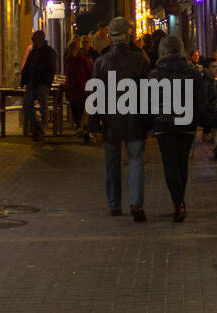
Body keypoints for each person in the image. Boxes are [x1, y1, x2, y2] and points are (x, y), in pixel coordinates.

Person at [94, 16, 151, 220]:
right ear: (128, 36)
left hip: (111, 121)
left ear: (110, 38)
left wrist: (94, 123)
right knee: (136, 160)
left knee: (112, 162)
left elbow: (96, 96)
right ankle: (136, 203)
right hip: (135, 119)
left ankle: (114, 204)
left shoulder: (101, 62)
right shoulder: (139, 60)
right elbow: (147, 92)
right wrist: (148, 119)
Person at [149, 36, 206, 222]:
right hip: (186, 123)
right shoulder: (193, 73)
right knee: (182, 162)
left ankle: (178, 202)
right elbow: (201, 101)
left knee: (170, 164)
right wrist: (201, 121)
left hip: (163, 124)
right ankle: (180, 201)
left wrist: (150, 123)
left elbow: (149, 101)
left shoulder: (155, 74)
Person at [19, 29, 56, 143]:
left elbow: (51, 69)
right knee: (27, 106)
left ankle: (41, 130)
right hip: (32, 83)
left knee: (43, 107)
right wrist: (23, 81)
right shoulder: (33, 52)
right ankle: (39, 127)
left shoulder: (49, 52)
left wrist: (47, 82)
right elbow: (27, 67)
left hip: (42, 84)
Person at [64, 35, 95, 141]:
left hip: (82, 88)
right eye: (72, 49)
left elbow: (90, 71)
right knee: (74, 108)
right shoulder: (68, 60)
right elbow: (67, 73)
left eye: (75, 49)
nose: (73, 51)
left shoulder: (83, 59)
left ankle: (82, 128)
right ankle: (79, 127)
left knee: (81, 109)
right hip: (72, 88)